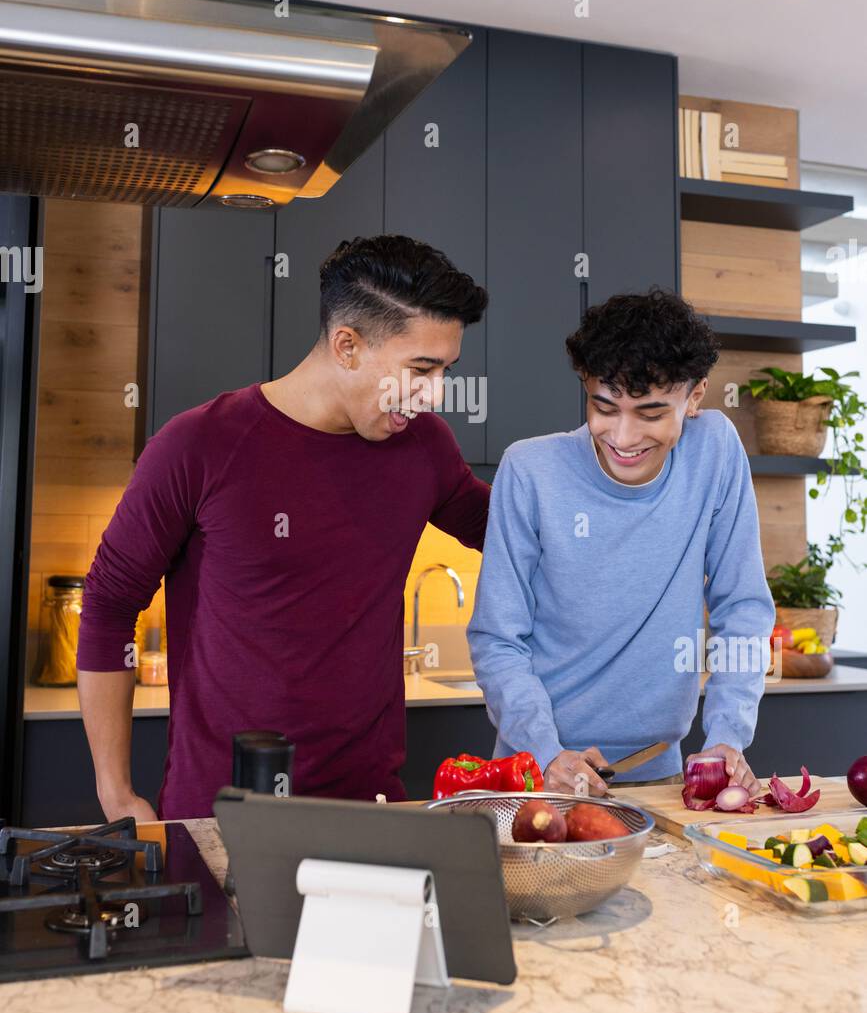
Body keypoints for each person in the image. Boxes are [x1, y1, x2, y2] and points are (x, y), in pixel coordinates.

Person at [77, 235, 490, 820]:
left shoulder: (423, 446)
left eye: (446, 370)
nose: (436, 394)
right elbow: (109, 605)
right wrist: (116, 795)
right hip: (220, 814)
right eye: (420, 369)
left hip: (372, 810)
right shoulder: (199, 445)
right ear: (347, 346)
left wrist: (613, 451)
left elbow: (506, 529)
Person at [467, 287, 775, 799]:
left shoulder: (715, 451)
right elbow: (498, 639)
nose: (624, 437)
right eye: (604, 406)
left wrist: (727, 737)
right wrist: (546, 752)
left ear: (694, 397)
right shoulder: (530, 470)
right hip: (542, 777)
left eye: (651, 414)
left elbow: (741, 608)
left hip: (662, 776)